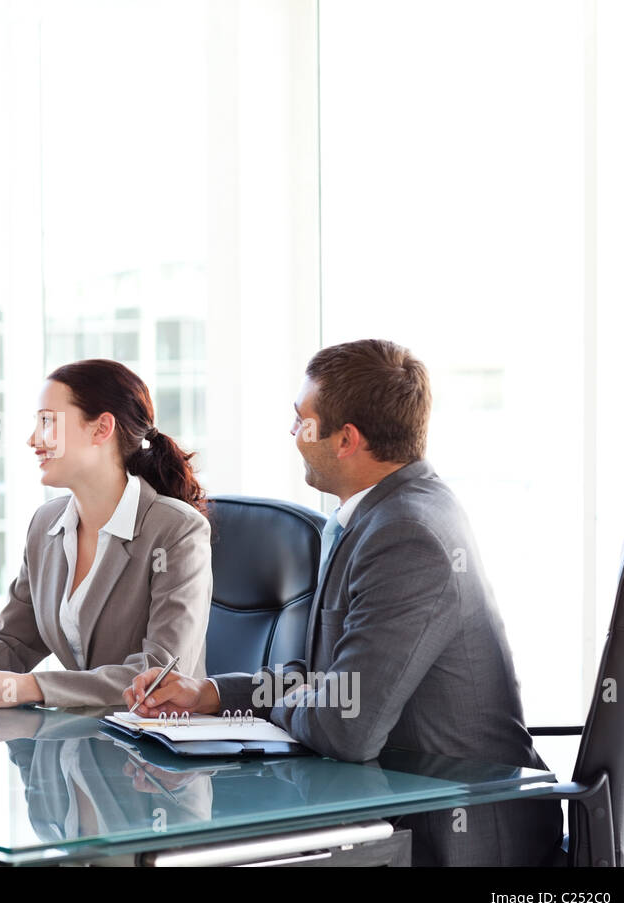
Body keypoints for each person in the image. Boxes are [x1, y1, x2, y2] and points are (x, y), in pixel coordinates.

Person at [124, 339, 563, 866]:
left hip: (451, 836)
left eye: (301, 421)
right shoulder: (378, 513)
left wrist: (285, 708)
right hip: (389, 807)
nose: (292, 434)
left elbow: (343, 724)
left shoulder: (407, 534)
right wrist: (211, 693)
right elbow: (326, 682)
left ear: (346, 439)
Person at [0, 358, 213, 709]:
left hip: (154, 751)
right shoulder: (46, 525)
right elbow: (16, 638)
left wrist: (31, 687)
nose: (33, 440)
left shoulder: (176, 531)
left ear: (101, 428)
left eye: (47, 422)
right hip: (78, 745)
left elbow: (160, 674)